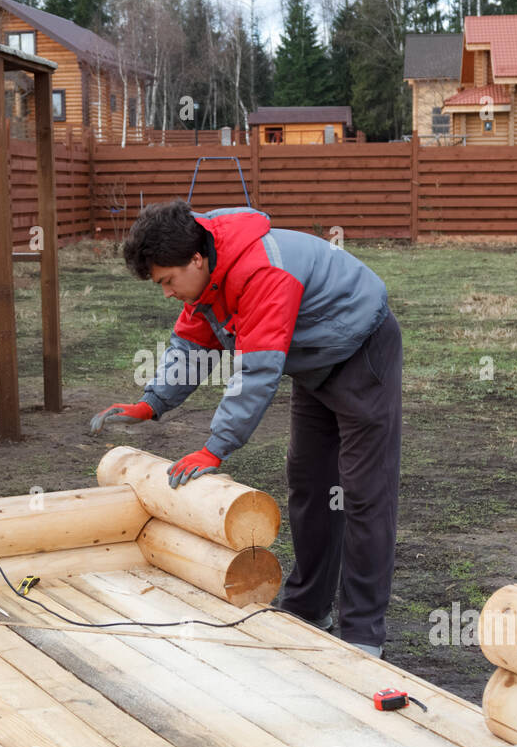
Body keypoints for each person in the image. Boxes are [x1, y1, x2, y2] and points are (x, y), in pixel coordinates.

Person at [88, 200, 403, 658]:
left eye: (167, 281)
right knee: (312, 484)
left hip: (361, 352)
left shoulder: (261, 272)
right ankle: (310, 608)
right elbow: (192, 344)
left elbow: (257, 372)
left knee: (363, 492)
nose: (167, 293)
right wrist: (151, 403)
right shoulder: (207, 272)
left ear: (195, 260)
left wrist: (215, 449)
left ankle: (362, 634)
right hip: (314, 361)